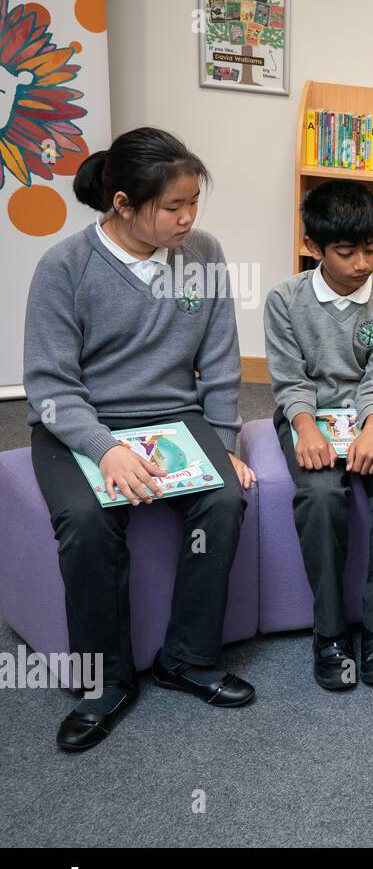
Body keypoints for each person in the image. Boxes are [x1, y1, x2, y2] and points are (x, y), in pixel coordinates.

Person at [24, 127, 257, 752]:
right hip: (78, 423)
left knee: (225, 499)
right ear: (124, 204)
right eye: (172, 207)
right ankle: (106, 682)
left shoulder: (203, 253)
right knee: (87, 519)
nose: (188, 218)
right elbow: (48, 386)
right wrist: (105, 449)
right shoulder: (64, 268)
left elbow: (222, 361)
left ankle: (187, 657)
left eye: (193, 204)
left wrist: (227, 442)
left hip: (173, 417)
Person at [264, 180, 373, 690]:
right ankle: (329, 633)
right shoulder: (285, 299)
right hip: (307, 414)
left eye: (371, 250)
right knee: (321, 493)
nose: (362, 265)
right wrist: (304, 427)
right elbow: (289, 379)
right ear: (314, 248)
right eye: (346, 253)